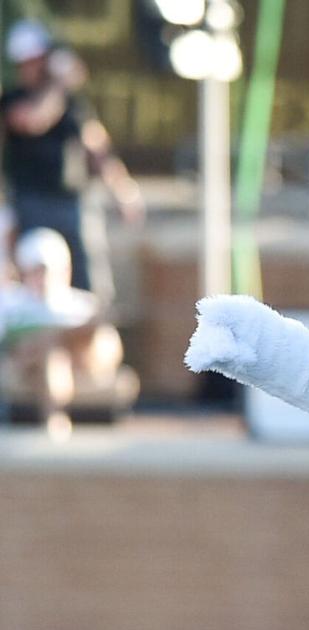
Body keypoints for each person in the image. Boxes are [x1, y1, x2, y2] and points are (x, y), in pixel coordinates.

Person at [1, 19, 142, 302]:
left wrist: (122, 190)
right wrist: (61, 81)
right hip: (31, 204)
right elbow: (34, 119)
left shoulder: (70, 103)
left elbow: (96, 146)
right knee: (35, 287)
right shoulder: (15, 100)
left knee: (87, 286)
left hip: (73, 203)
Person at [0, 226, 139, 436]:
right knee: (52, 351)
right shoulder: (11, 304)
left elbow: (110, 350)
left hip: (83, 362)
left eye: (49, 270)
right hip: (30, 364)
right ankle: (54, 418)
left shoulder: (83, 304)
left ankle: (56, 419)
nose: (44, 278)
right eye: (37, 271)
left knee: (78, 339)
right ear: (25, 272)